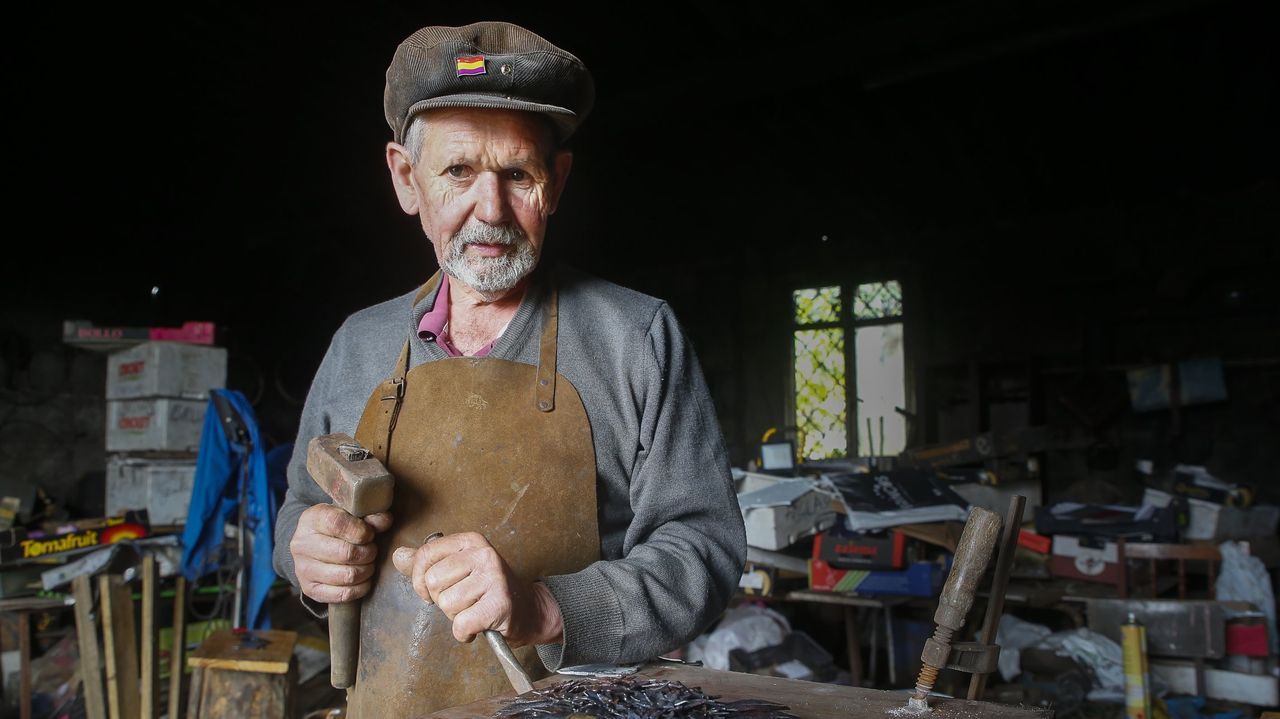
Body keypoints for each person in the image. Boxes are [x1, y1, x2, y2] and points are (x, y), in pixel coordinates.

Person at [272, 20, 746, 716]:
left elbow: (704, 547)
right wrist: (304, 553)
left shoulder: (637, 335)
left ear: (555, 181)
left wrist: (550, 605)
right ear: (407, 178)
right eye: (458, 171)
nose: (489, 211)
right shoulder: (359, 344)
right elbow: (294, 509)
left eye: (517, 174)